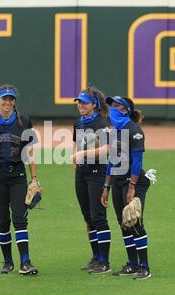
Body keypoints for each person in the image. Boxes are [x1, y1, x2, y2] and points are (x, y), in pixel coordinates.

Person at [0, 84, 40, 276]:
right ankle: (8, 262)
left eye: (11, 99)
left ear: (14, 102)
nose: (7, 102)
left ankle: (25, 262)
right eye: (4, 99)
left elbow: (29, 151)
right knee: (2, 220)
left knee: (20, 218)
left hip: (18, 175)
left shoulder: (24, 121)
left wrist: (34, 179)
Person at [101, 96, 152, 280]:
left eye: (116, 106)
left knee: (135, 221)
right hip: (118, 180)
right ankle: (132, 264)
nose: (112, 109)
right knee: (124, 223)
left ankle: (145, 267)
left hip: (134, 180)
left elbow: (138, 160)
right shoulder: (115, 131)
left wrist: (132, 186)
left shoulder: (134, 130)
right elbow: (112, 161)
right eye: (111, 105)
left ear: (125, 110)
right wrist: (106, 186)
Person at [71, 86, 111, 274]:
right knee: (88, 217)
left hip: (97, 172)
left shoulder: (101, 123)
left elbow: (106, 150)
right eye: (79, 102)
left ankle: (104, 261)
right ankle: (96, 257)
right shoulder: (78, 122)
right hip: (82, 174)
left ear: (94, 104)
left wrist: (82, 153)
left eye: (84, 102)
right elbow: (75, 142)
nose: (80, 105)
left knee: (98, 217)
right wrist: (75, 158)